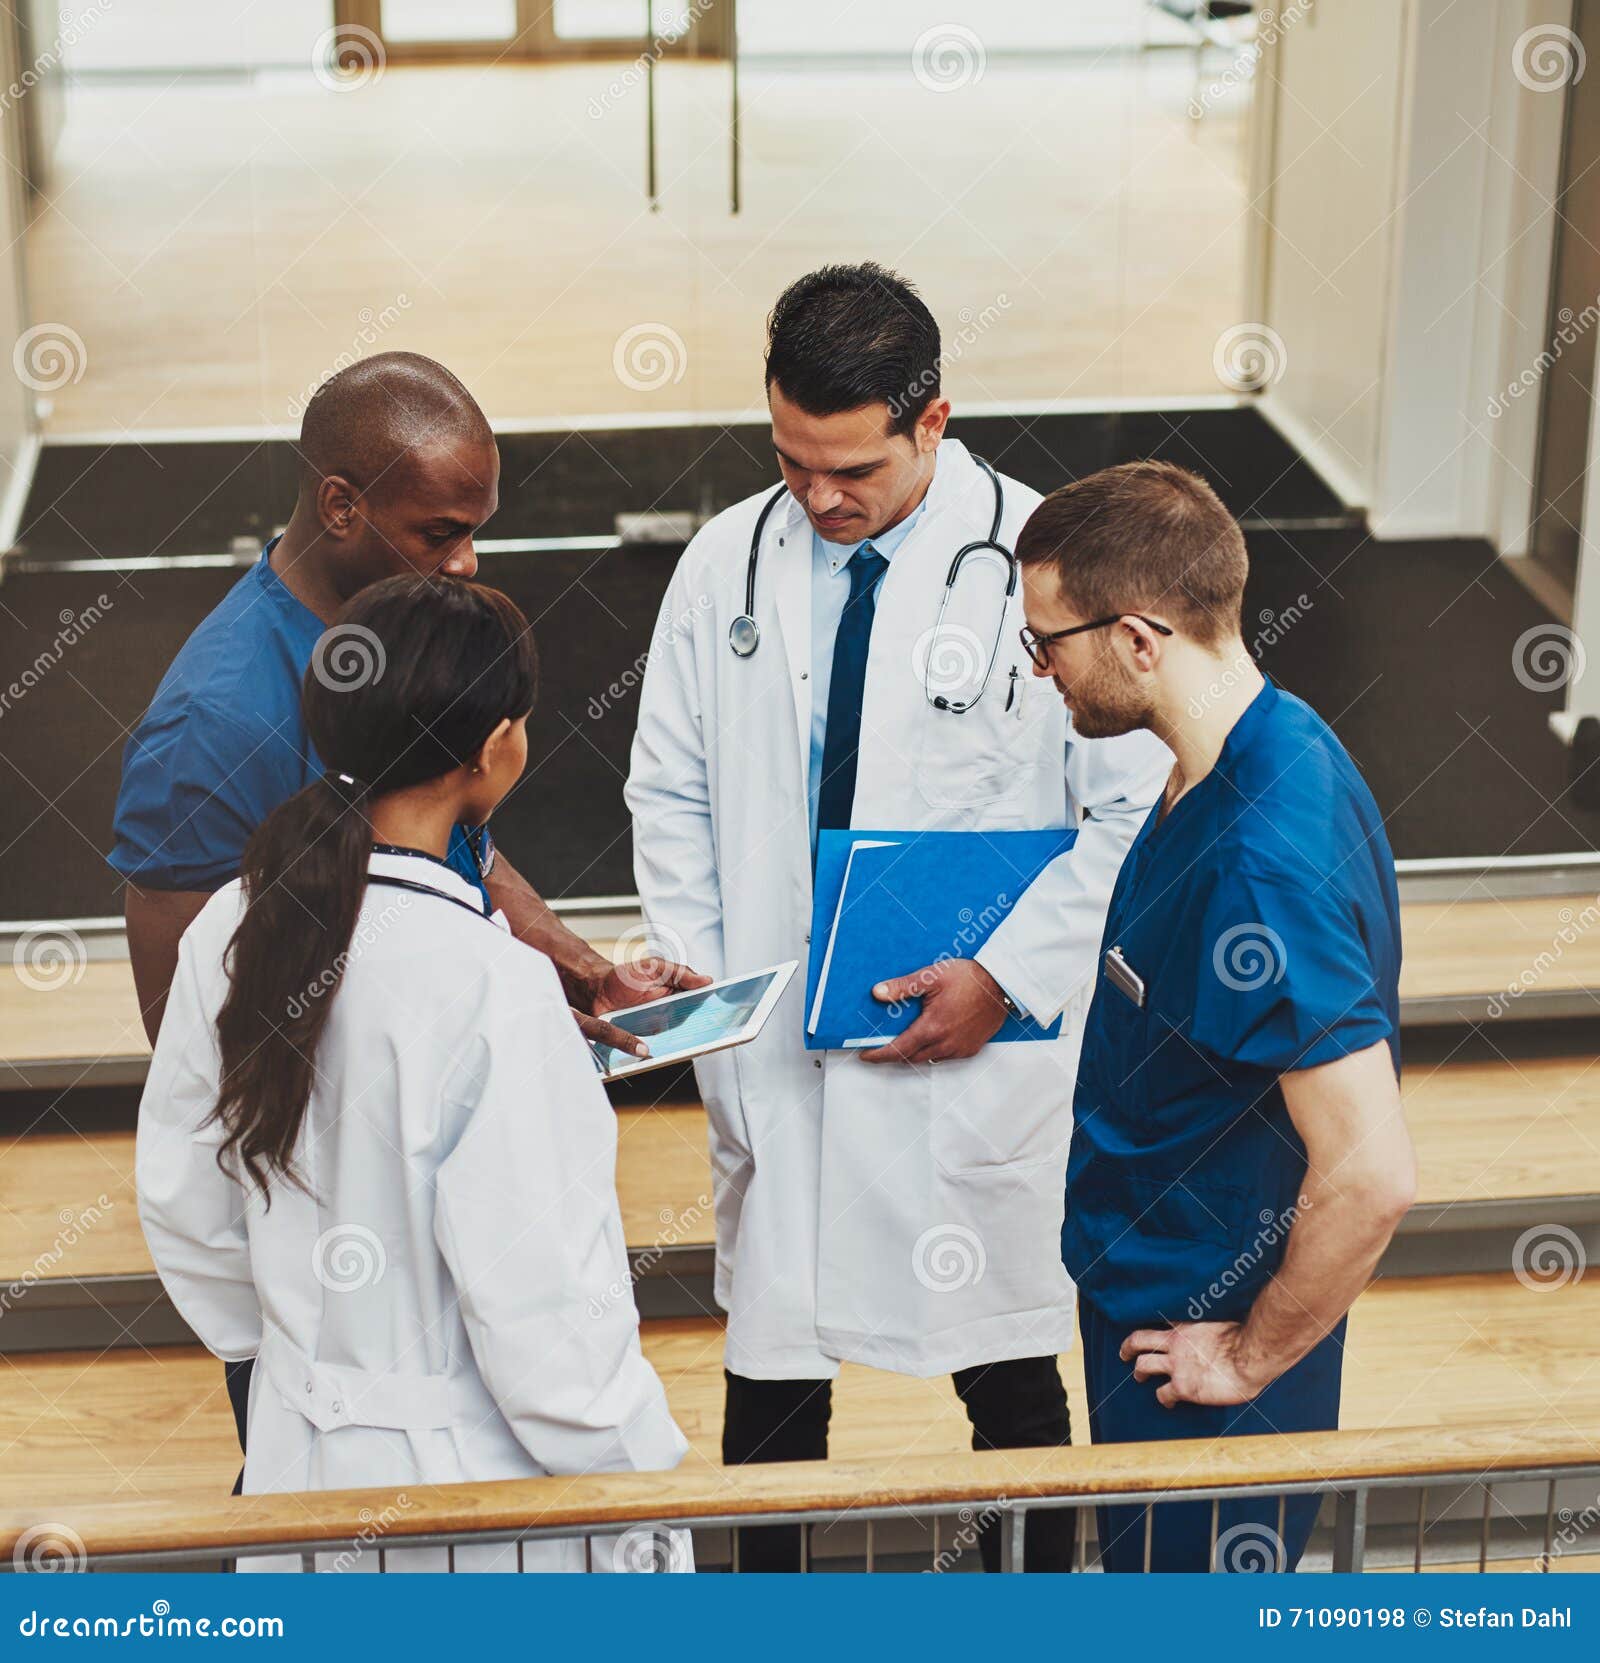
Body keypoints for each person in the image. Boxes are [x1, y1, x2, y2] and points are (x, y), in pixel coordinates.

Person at [626, 263, 1171, 1572]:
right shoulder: (726, 563)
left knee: (1009, 1380)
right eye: (789, 458)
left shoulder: (1050, 565)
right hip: (776, 1053)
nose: (814, 496)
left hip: (968, 1060)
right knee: (768, 1389)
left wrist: (1004, 969)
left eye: (850, 468)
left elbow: (1131, 811)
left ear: (932, 420)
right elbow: (670, 787)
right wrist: (713, 1009)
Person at [111, 352, 704, 1465]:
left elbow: (450, 835)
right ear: (341, 503)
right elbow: (203, 1066)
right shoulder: (215, 722)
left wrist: (577, 968)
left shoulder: (392, 645)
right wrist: (288, 1335)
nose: (468, 559)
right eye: (440, 532)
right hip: (334, 1336)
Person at [137, 576, 691, 1573]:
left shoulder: (234, 921)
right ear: (493, 750)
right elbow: (547, 1321)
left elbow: (186, 1198)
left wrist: (296, 1360)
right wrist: (644, 1488)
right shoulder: (495, 986)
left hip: (296, 1465)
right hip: (471, 1500)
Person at [1013, 461, 1414, 1573]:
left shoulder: (1259, 859)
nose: (1036, 667)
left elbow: (1372, 1173)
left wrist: (1244, 1355)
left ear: (1138, 640)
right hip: (1153, 1302)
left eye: (1047, 642)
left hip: (1196, 1358)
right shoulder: (1244, 749)